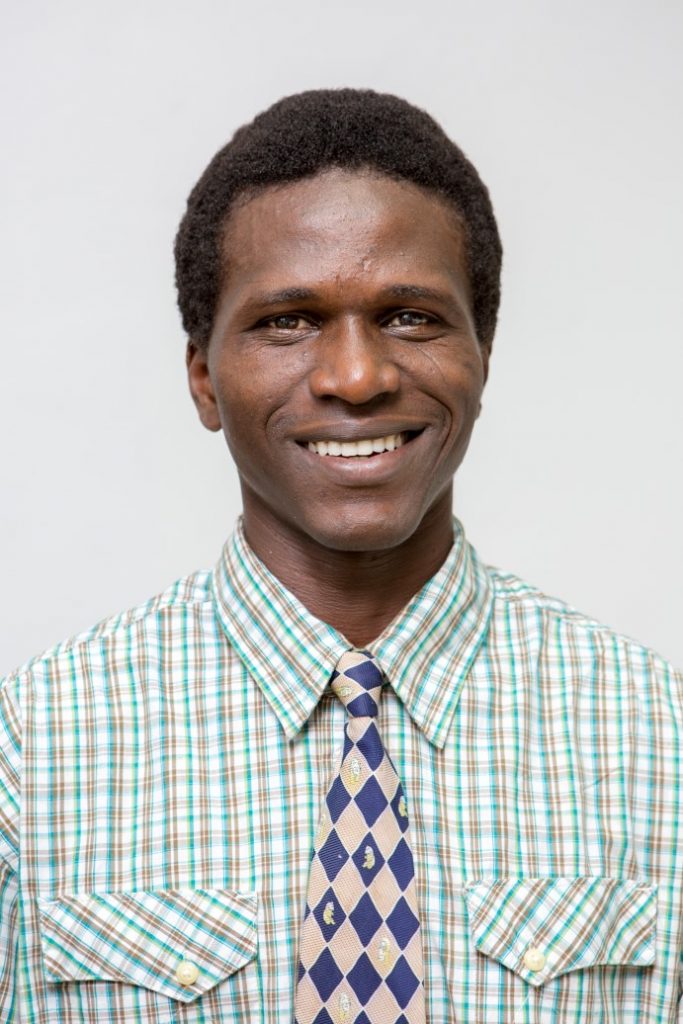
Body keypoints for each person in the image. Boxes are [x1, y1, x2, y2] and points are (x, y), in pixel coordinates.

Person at [0, 88, 681, 1024]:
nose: (356, 377)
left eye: (409, 316)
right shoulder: (31, 753)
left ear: (483, 352)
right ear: (202, 375)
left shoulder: (661, 738)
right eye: (288, 320)